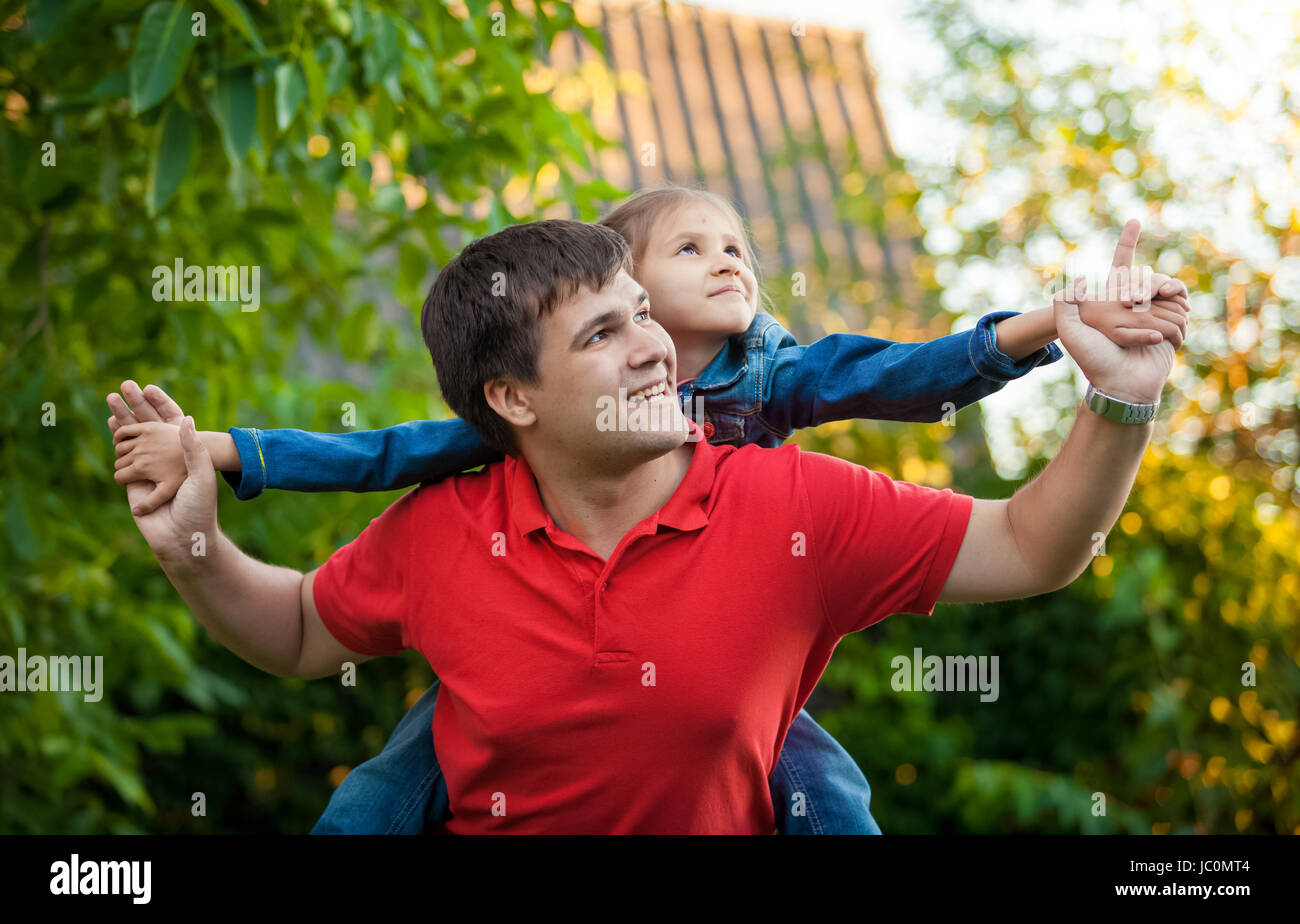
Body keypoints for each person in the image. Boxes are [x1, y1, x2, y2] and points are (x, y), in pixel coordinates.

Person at [109, 213, 1185, 833]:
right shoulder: (442, 528)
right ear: (512, 402)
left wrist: (1120, 399)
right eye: (601, 335)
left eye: (642, 315)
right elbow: (300, 632)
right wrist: (195, 544)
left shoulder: (790, 504)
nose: (651, 346)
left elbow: (1040, 546)